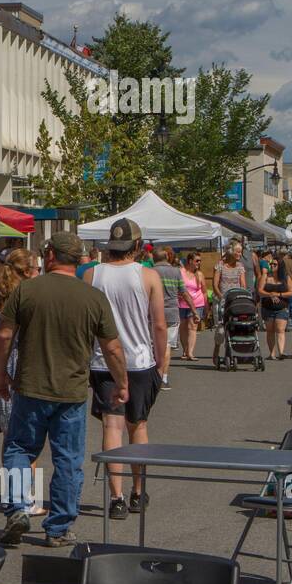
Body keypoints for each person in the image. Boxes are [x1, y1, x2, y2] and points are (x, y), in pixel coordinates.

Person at [0, 231, 127, 548]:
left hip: (30, 387)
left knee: (19, 450)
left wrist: (1, 374)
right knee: (67, 460)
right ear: (78, 259)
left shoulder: (27, 290)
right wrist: (121, 383)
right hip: (72, 393)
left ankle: (17, 509)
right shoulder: (93, 297)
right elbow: (112, 349)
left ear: (50, 255)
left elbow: (3, 336)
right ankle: (58, 528)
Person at [83, 219, 167, 520]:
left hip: (104, 360)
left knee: (112, 427)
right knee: (138, 426)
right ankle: (137, 490)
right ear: (137, 245)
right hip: (140, 360)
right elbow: (158, 324)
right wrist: (163, 362)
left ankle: (116, 497)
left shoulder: (92, 275)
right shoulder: (148, 276)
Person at [0, 248, 45, 515]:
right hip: (22, 364)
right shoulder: (28, 296)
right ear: (26, 271)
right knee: (27, 436)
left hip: (2, 362)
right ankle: (26, 497)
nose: (39, 272)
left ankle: (12, 493)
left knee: (10, 436)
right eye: (36, 268)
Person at [153, 246, 183, 389]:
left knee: (153, 344)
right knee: (167, 346)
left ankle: (154, 375)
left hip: (154, 312)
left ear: (154, 258)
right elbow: (184, 292)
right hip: (172, 311)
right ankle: (163, 378)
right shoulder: (176, 271)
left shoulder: (150, 272)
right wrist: (194, 310)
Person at [257, 249, 292, 360]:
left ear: (280, 266)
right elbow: (260, 290)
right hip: (267, 307)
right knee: (270, 330)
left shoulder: (286, 278)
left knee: (280, 329)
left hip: (281, 308)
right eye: (271, 264)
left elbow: (291, 292)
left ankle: (281, 352)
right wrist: (270, 295)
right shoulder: (265, 276)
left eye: (274, 264)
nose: (272, 265)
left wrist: (278, 294)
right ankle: (272, 353)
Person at [178, 252, 207, 360]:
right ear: (190, 261)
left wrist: (206, 305)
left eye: (200, 261)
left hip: (197, 304)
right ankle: (185, 350)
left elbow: (204, 291)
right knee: (183, 327)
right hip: (181, 303)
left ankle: (190, 352)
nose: (199, 263)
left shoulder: (199, 274)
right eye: (197, 260)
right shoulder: (181, 272)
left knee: (192, 327)